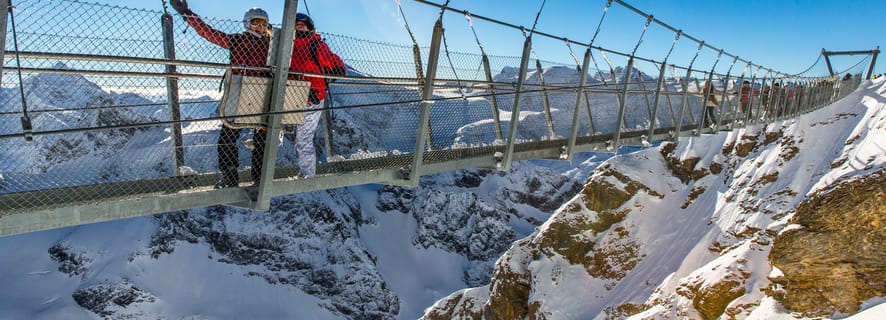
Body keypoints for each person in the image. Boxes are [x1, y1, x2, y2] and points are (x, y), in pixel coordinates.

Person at [169, 0, 271, 188]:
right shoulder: (242, 41)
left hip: (251, 94)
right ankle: (246, 177)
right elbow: (209, 33)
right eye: (257, 22)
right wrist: (188, 14)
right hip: (247, 93)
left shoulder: (269, 44)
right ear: (248, 23)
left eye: (264, 24)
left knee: (244, 137)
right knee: (236, 137)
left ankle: (245, 177)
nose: (260, 27)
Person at [287, 13, 346, 177]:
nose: (299, 27)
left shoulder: (315, 45)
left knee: (304, 138)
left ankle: (307, 174)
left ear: (309, 27)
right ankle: (305, 171)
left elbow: (333, 61)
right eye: (296, 24)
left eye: (302, 25)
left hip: (311, 97)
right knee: (298, 136)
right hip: (292, 95)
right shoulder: (288, 45)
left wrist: (336, 70)